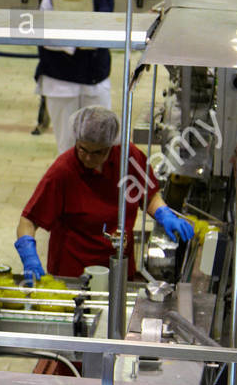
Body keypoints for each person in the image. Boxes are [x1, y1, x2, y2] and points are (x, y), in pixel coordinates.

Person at [14, 106, 196, 283]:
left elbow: (148, 195)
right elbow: (28, 221)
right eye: (82, 149)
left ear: (111, 145)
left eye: (97, 152)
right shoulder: (63, 171)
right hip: (75, 273)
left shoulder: (128, 157)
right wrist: (29, 255)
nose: (87, 158)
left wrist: (164, 214)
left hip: (118, 268)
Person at [36, 0, 115, 154]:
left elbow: (110, 25)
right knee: (68, 143)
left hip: (96, 79)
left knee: (100, 140)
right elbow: (45, 36)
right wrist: (81, 40)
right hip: (63, 81)